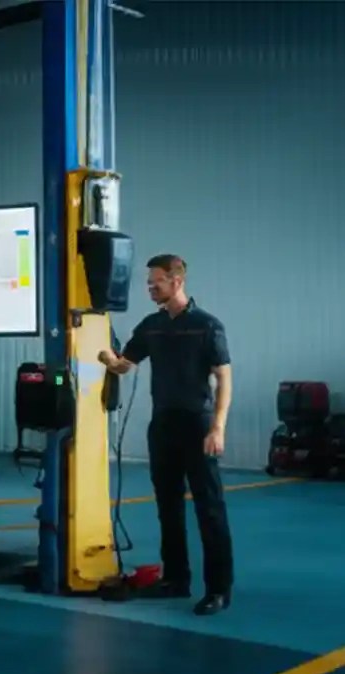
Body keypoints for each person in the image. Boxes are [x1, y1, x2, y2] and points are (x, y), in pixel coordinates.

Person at [98, 254, 235, 616]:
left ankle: (219, 590)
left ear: (176, 282)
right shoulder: (151, 326)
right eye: (148, 282)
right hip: (163, 426)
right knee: (168, 507)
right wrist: (107, 359)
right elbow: (126, 364)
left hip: (198, 425)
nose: (149, 288)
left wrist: (218, 427)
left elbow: (224, 379)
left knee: (210, 509)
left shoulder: (207, 326)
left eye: (155, 282)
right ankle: (176, 579)